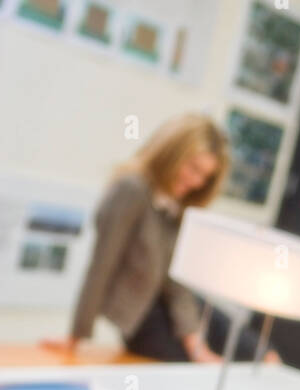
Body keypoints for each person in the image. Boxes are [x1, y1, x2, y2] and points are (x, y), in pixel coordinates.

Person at [41, 112, 279, 365]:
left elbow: (177, 284)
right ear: (172, 153)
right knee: (191, 370)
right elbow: (101, 266)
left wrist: (195, 343)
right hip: (145, 314)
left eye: (205, 177)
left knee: (263, 355)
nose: (196, 182)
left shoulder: (178, 204)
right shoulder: (131, 190)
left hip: (180, 302)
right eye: (194, 169)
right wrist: (77, 335)